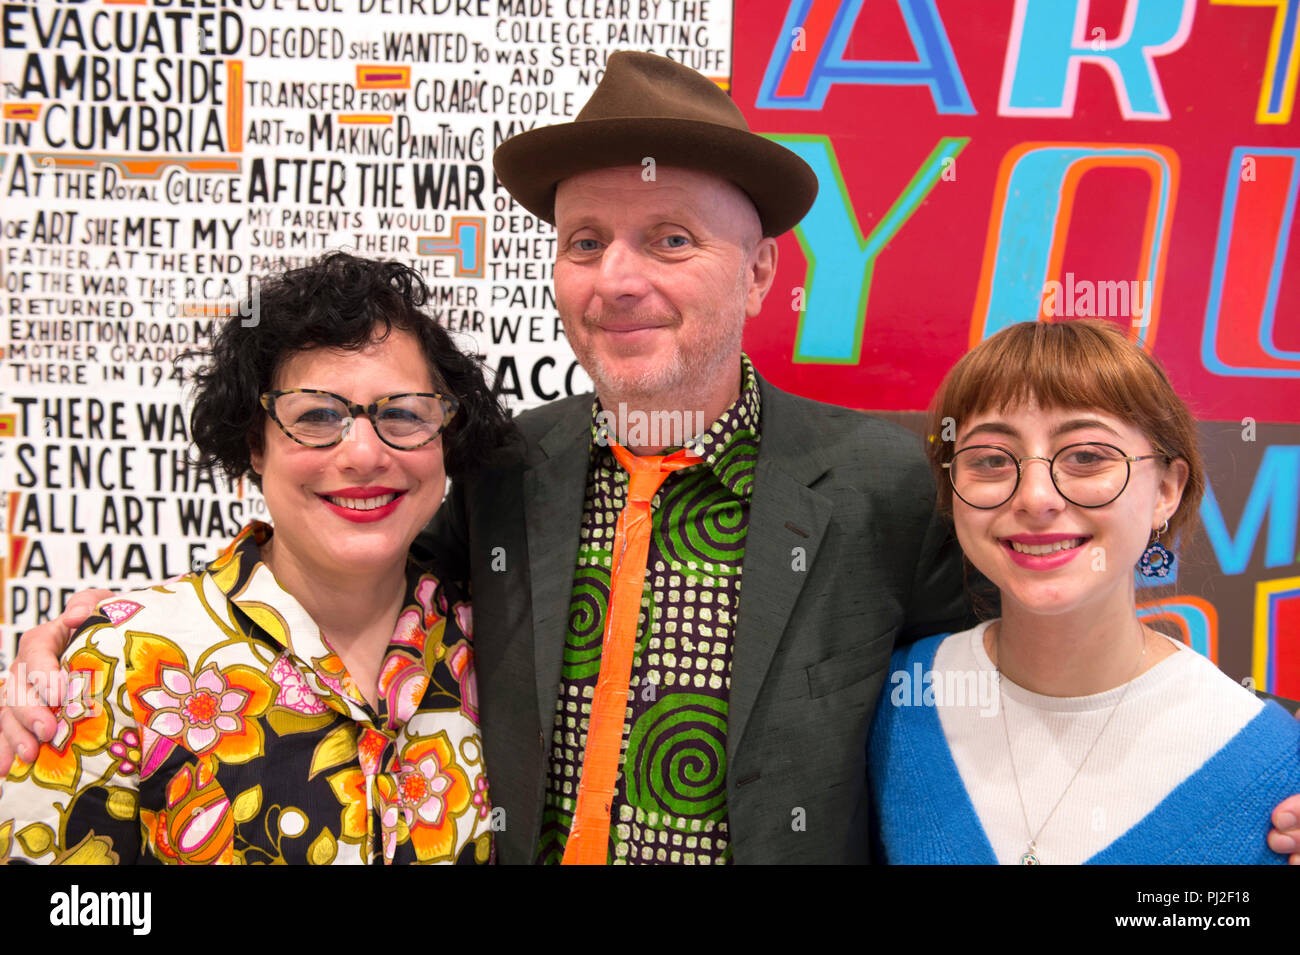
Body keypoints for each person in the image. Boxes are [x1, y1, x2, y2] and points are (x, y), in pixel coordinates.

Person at [6, 52, 1300, 864]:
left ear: (761, 272)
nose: (617, 280)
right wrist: (92, 647)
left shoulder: (889, 483)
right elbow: (324, 556)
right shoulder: (492, 465)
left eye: (670, 239)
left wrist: (1255, 784)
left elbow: (1048, 657)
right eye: (586, 241)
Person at [0, 252, 513, 864]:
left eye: (402, 414)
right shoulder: (114, 664)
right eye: (317, 417)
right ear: (256, 445)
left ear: (445, 440)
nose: (363, 454)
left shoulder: (498, 654)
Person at [868, 319, 1300, 864]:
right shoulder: (886, 702)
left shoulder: (1276, 774)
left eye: (1087, 456)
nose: (1036, 497)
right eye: (991, 460)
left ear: (1167, 489)